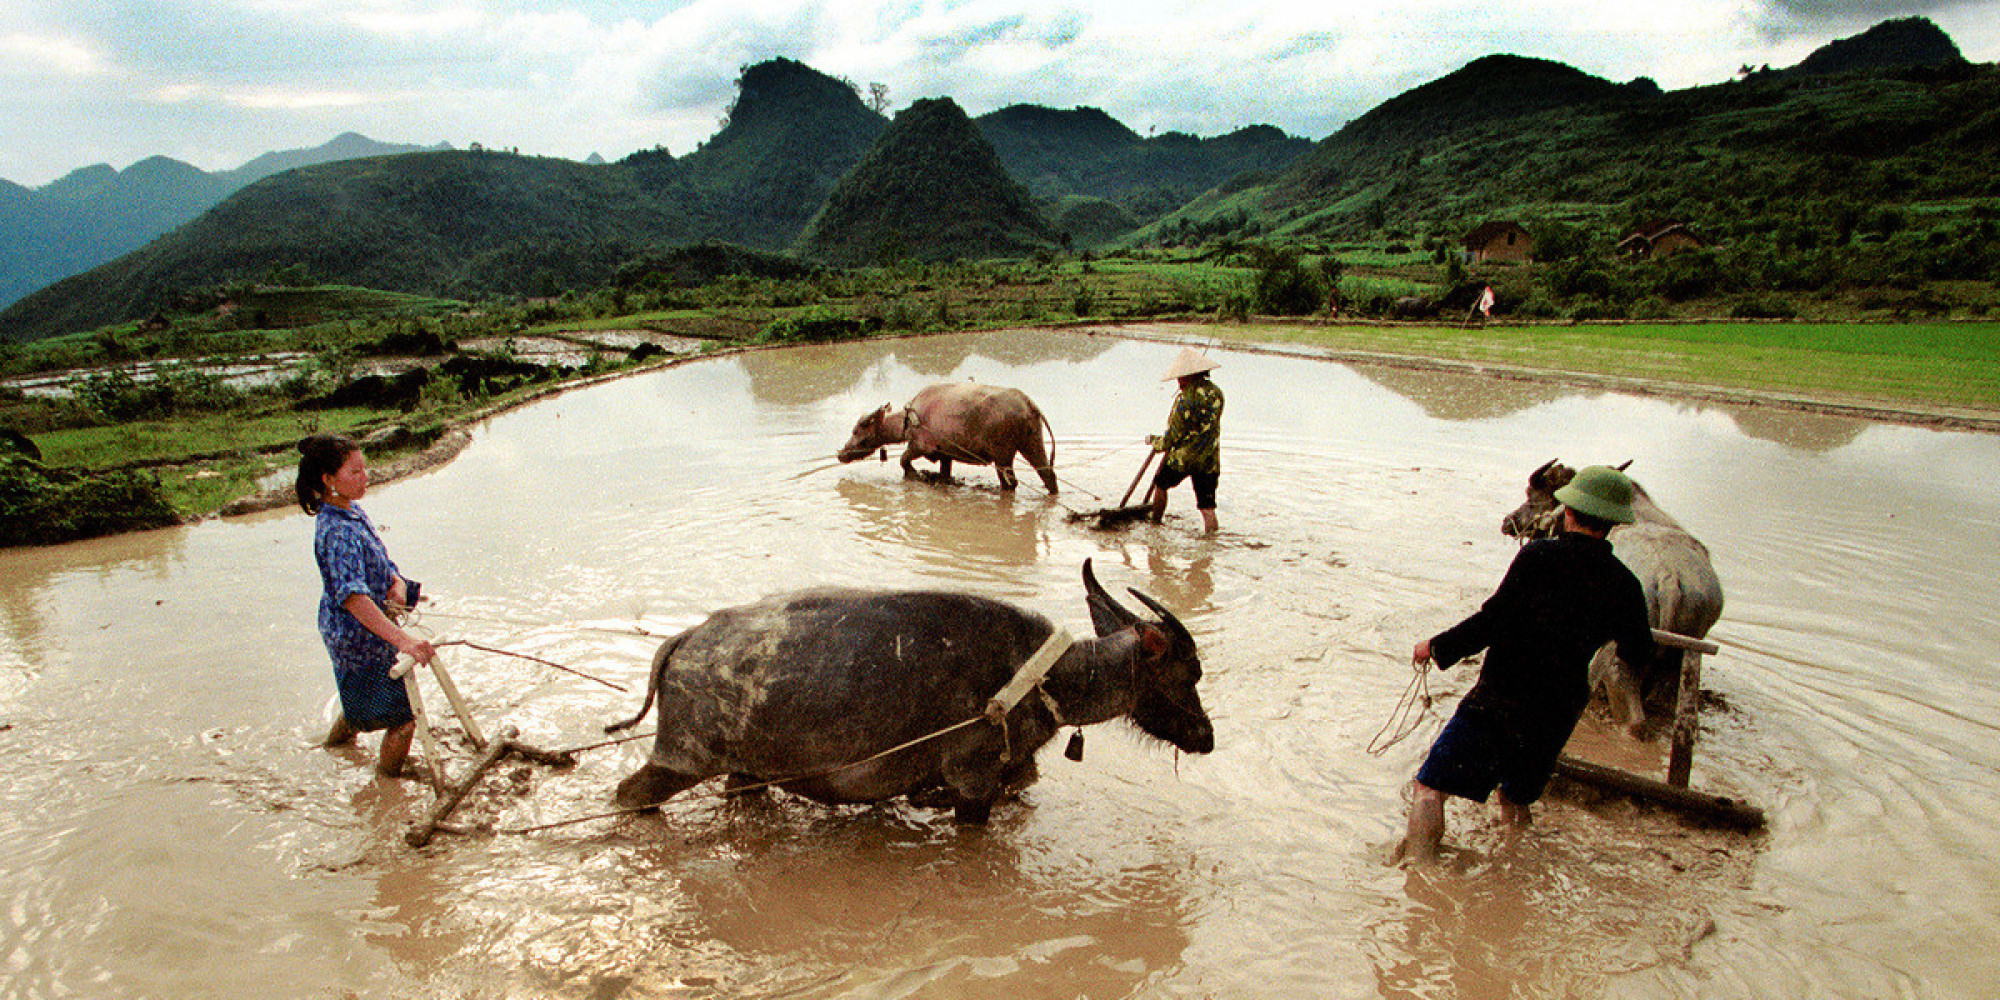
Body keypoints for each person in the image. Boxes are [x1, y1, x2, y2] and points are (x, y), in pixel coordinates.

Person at [1393, 464, 1655, 867]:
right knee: (1515, 798)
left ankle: (1420, 878)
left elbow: (1492, 621)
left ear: (1568, 512)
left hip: (1501, 699)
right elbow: (1638, 652)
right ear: (1614, 525)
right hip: (1558, 712)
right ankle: (1512, 878)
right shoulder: (1625, 584)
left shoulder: (1538, 558)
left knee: (1429, 787)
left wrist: (1436, 647)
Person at [296, 434, 437, 777]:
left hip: (368, 625)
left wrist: (397, 583)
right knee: (403, 720)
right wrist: (404, 641)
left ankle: (333, 748)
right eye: (354, 472)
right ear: (328, 480)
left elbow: (378, 561)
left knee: (362, 696)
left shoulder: (351, 511)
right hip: (356, 636)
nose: (365, 477)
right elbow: (354, 599)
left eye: (364, 469)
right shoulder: (336, 532)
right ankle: (386, 788)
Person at [1149, 347, 1225, 534]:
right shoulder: (1217, 393)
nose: (1178, 382)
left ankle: (1155, 526)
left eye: (1180, 377)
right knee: (1207, 507)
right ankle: (1210, 545)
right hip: (1209, 460)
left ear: (1190, 375)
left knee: (1160, 484)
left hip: (1183, 458)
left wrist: (1155, 442)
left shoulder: (1185, 399)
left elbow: (1173, 437)